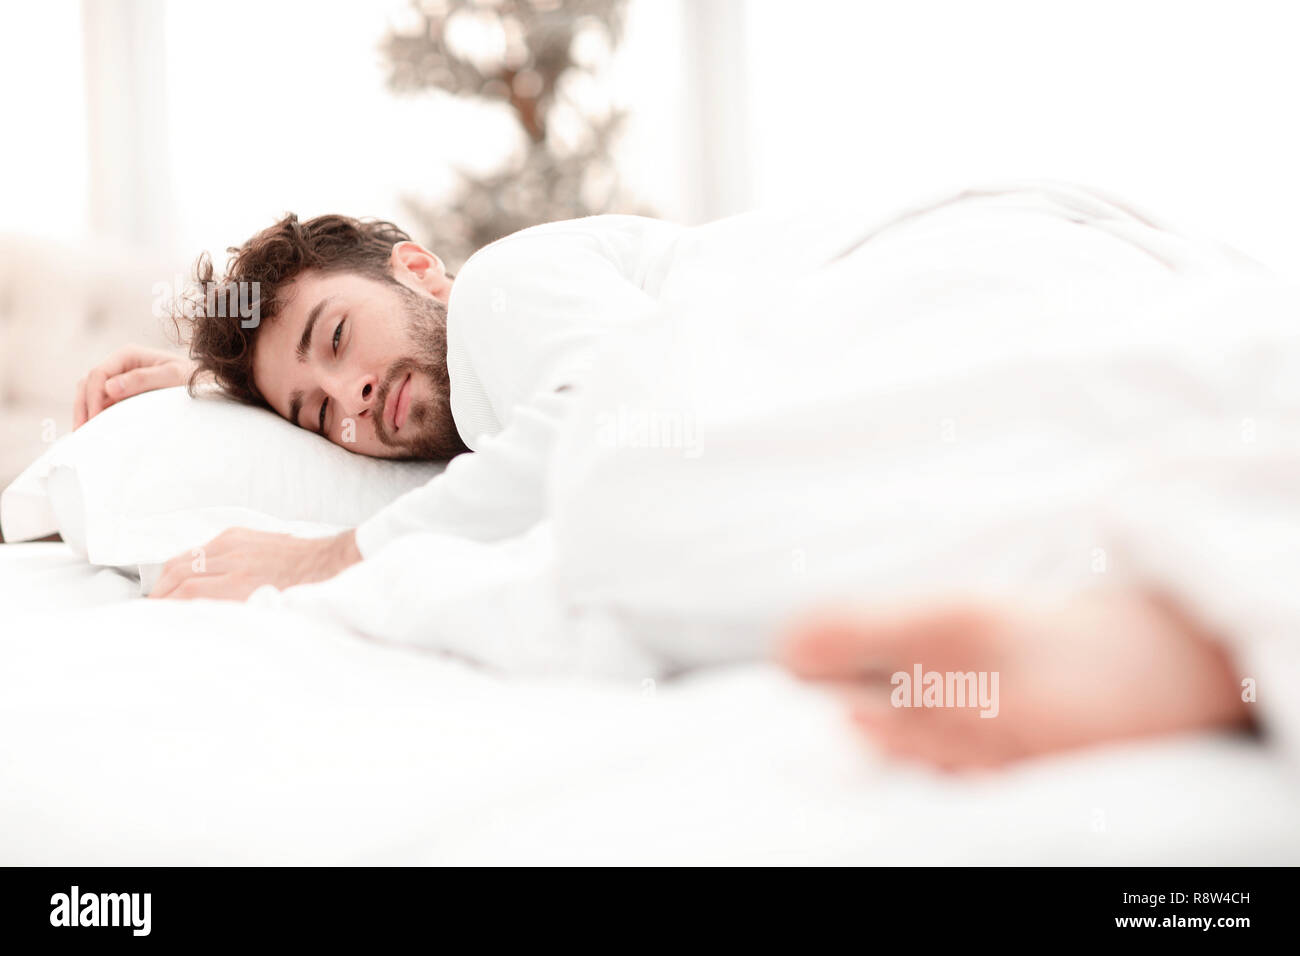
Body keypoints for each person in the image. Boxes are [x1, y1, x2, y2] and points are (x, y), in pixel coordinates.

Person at [74, 181, 1284, 768]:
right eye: (313, 414)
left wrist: (328, 554)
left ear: (421, 270)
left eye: (339, 341)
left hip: (958, 273)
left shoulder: (506, 286)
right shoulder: (485, 415)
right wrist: (196, 391)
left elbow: (609, 407)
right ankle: (1184, 613)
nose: (352, 404)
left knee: (626, 524)